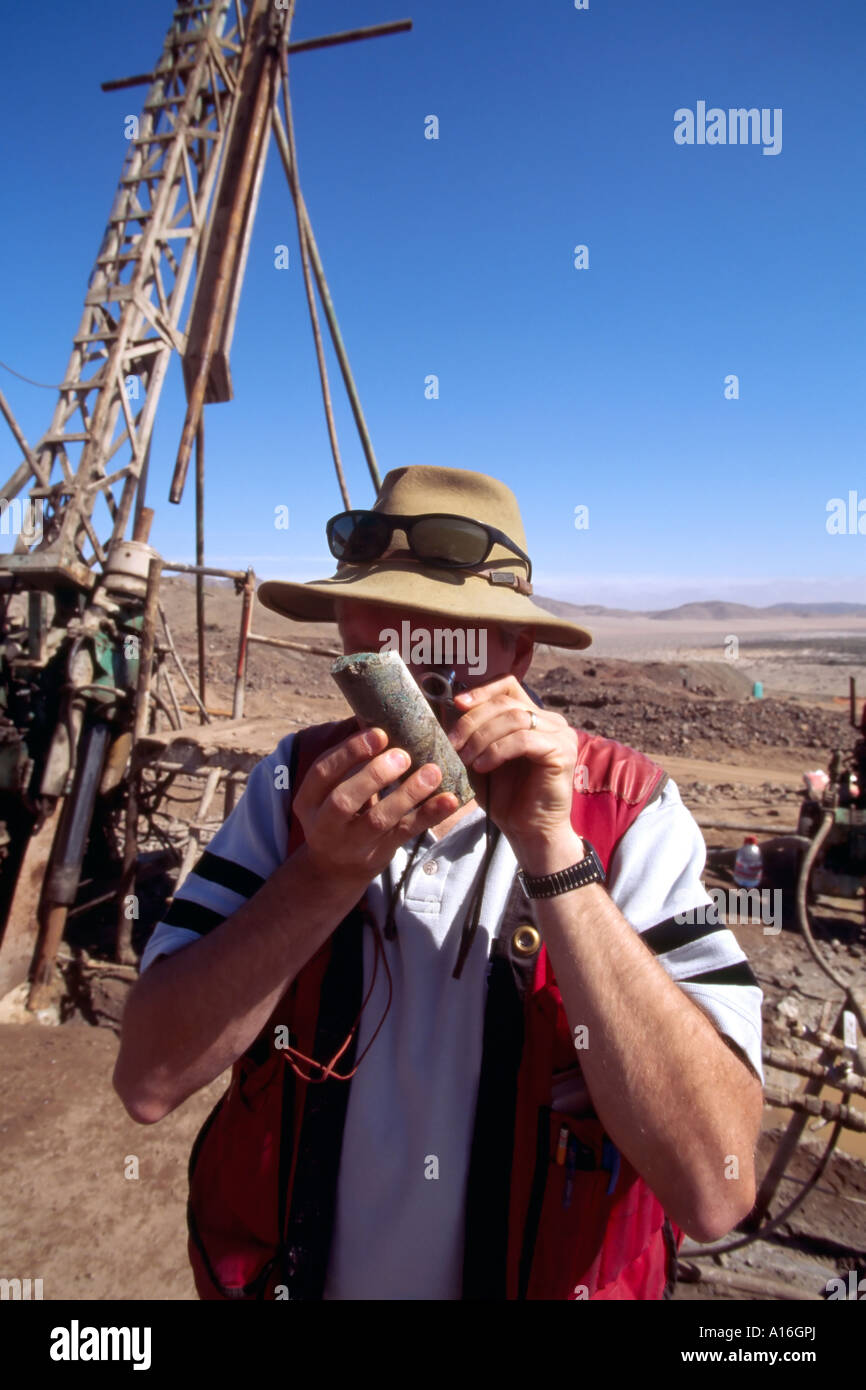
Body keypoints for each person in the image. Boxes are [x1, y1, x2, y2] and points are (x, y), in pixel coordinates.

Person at [113, 465, 764, 1301]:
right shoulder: (292, 788)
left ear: (518, 651)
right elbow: (149, 1078)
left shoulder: (630, 811)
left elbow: (715, 1188)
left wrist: (555, 858)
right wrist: (321, 877)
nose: (405, 658)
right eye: (373, 624)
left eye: (442, 629)